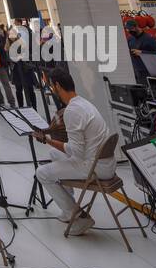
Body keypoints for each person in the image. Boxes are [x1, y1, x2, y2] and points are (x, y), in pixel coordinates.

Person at [33, 68, 112, 235]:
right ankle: (69, 206)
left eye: (52, 87)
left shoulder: (72, 111)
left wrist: (48, 140)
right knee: (54, 155)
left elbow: (76, 153)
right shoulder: (83, 102)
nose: (52, 90)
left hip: (95, 167)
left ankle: (77, 217)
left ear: (57, 86)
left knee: (42, 173)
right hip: (104, 161)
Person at [125, 18, 156, 85]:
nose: (129, 31)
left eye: (130, 29)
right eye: (127, 29)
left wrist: (142, 53)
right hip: (135, 72)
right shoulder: (130, 39)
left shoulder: (150, 38)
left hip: (148, 71)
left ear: (136, 27)